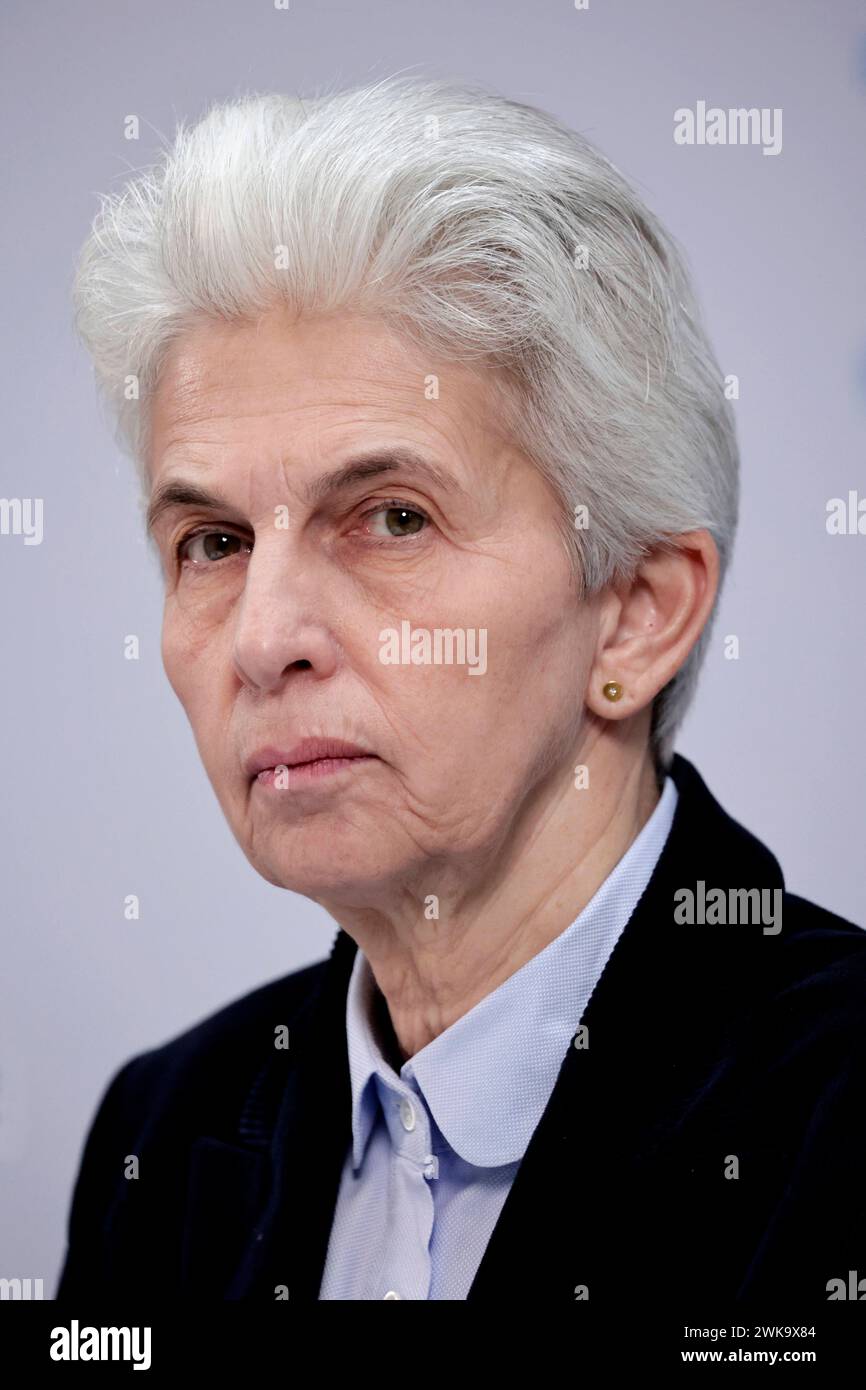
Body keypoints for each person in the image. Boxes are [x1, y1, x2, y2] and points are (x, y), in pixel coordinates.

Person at [57, 75, 865, 1304]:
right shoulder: (161, 1136)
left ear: (635, 610)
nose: (263, 638)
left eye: (391, 518)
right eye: (213, 541)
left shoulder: (837, 1115)